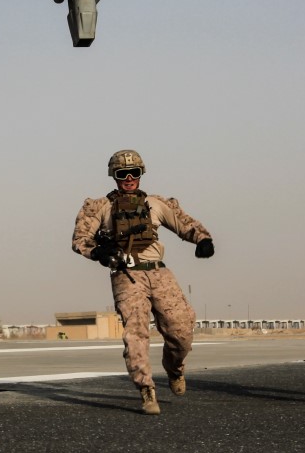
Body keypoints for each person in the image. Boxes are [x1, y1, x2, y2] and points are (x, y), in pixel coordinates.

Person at [72, 150, 215, 415]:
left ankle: (174, 368)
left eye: (134, 173)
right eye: (122, 174)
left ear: (141, 174)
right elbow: (80, 239)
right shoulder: (99, 207)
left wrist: (203, 239)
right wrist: (98, 252)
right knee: (135, 333)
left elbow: (184, 223)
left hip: (159, 273)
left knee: (181, 331)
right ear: (114, 176)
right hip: (127, 276)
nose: (128, 178)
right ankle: (146, 388)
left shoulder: (155, 204)